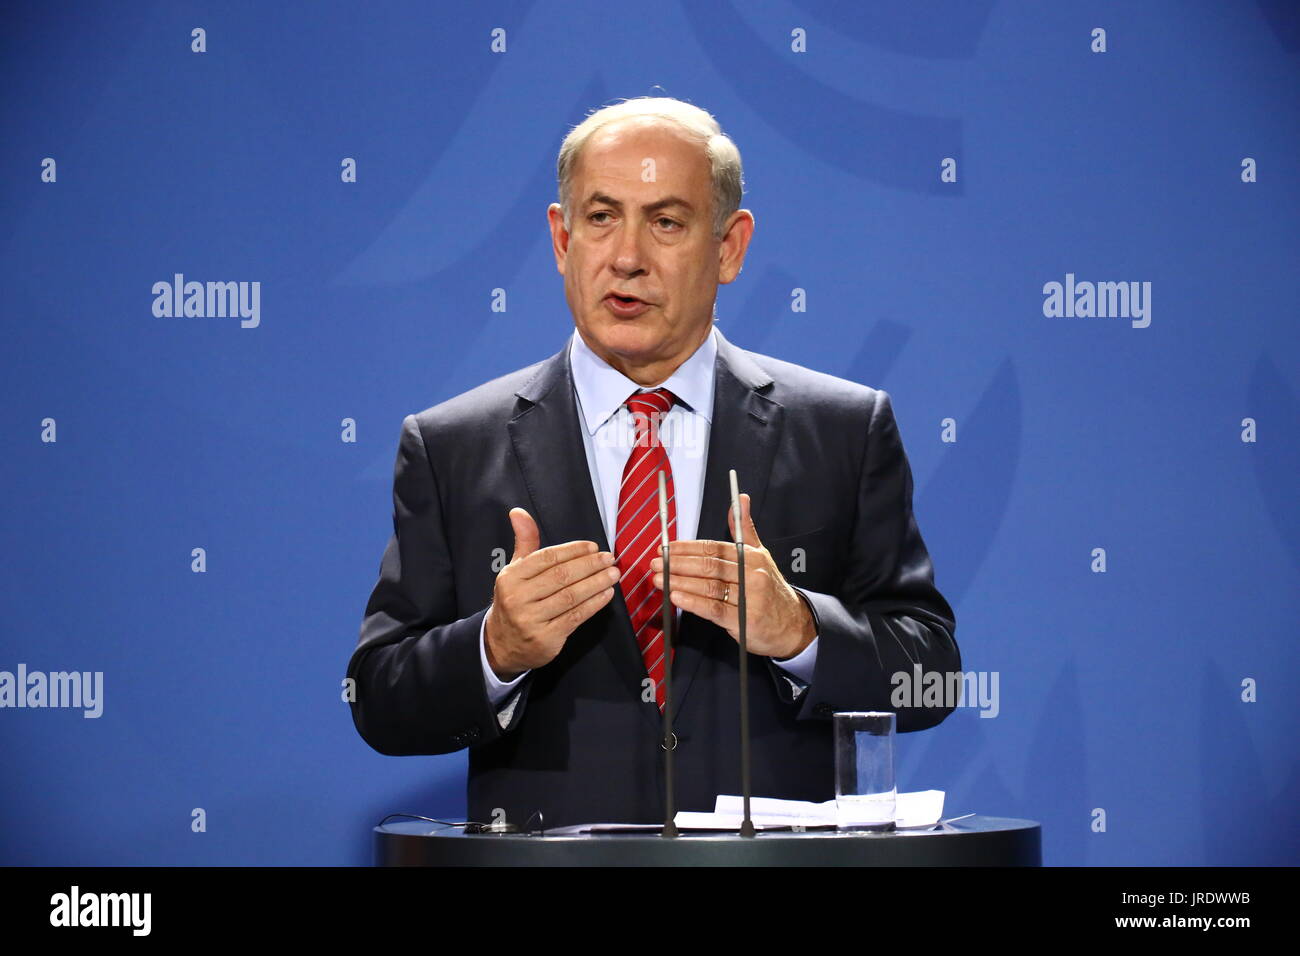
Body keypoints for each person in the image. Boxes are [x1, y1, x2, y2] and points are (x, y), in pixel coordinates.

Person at [346, 96, 960, 830]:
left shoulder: (843, 429)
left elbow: (933, 677)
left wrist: (799, 629)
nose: (627, 256)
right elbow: (378, 700)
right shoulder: (452, 445)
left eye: (666, 222)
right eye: (601, 217)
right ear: (559, 238)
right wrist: (494, 648)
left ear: (730, 247)